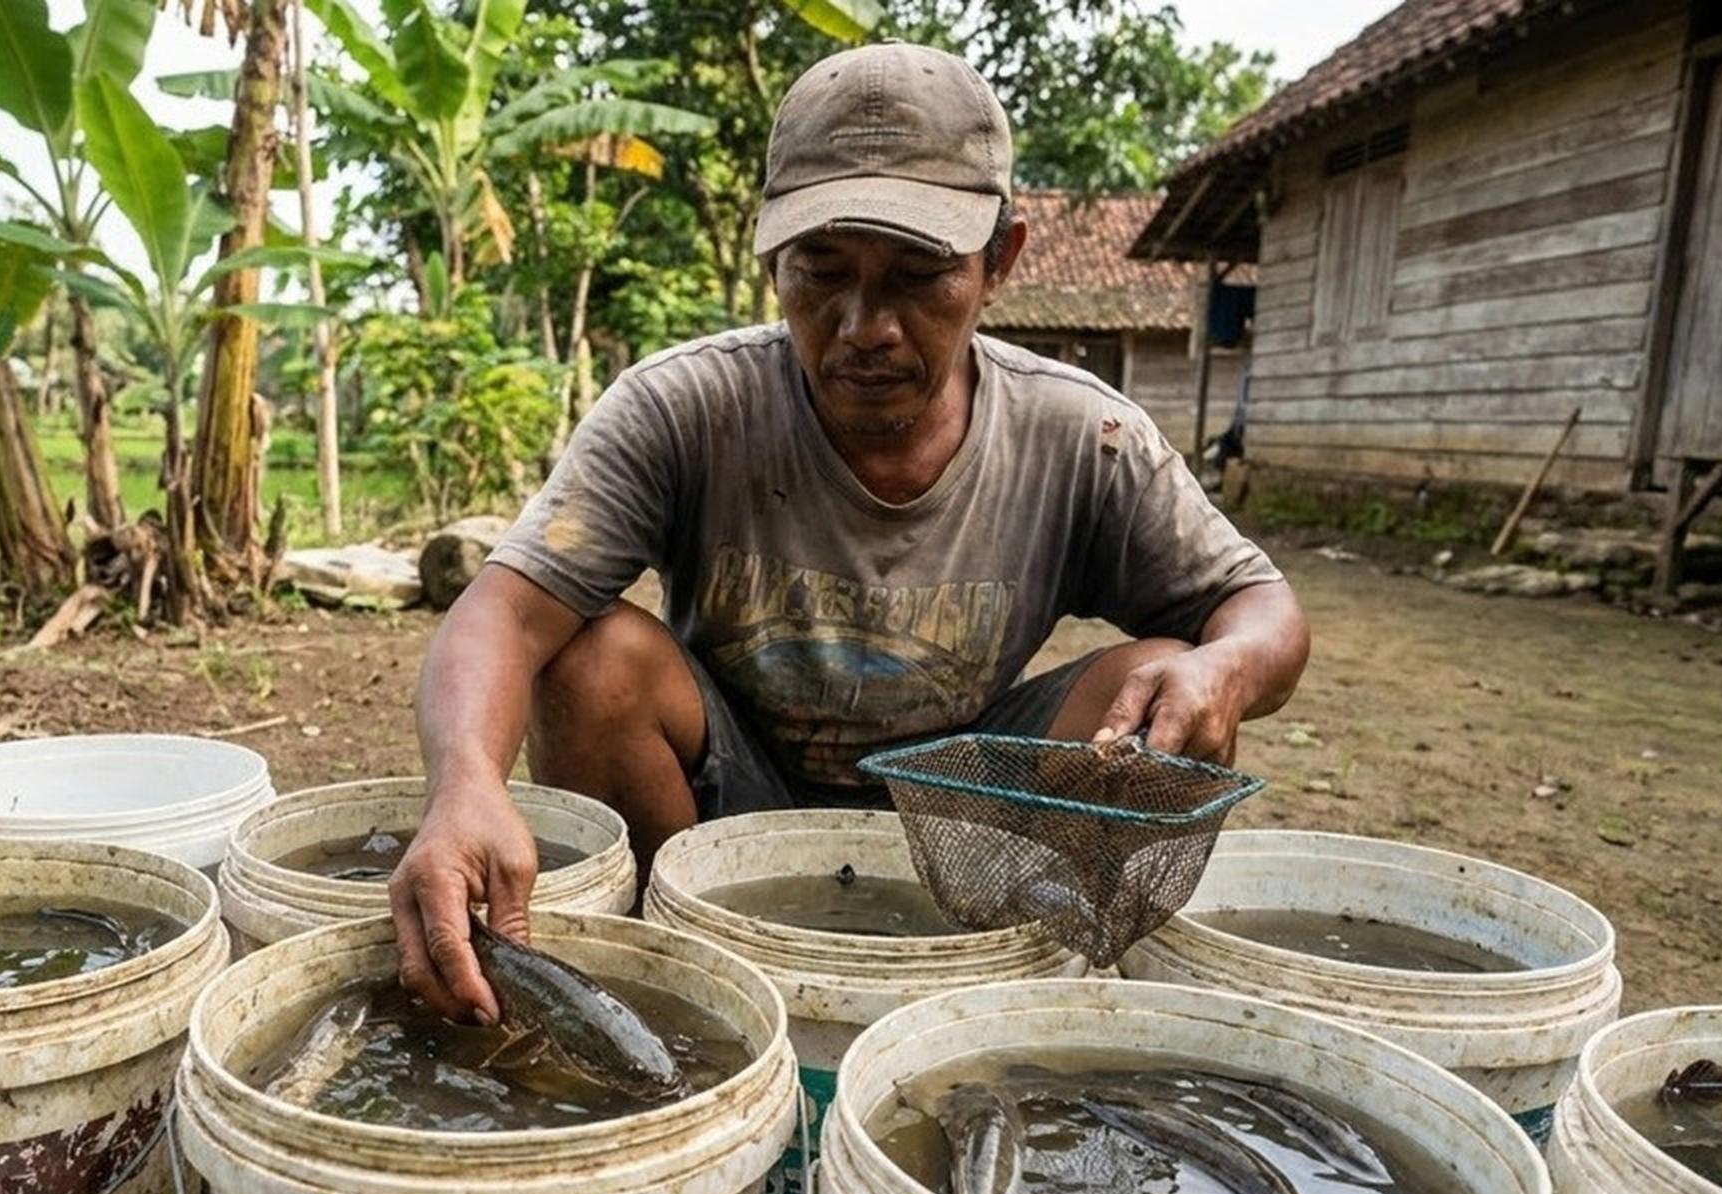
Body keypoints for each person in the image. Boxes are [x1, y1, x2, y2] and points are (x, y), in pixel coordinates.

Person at [390, 41, 1309, 1023]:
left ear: (999, 262)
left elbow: (1260, 611)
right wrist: (463, 783)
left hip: (962, 807)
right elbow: (505, 613)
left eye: (918, 276)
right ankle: (677, 968)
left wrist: (1225, 673)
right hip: (719, 791)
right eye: (819, 272)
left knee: (1172, 663)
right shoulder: (686, 407)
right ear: (772, 259)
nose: (864, 325)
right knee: (591, 663)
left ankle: (1026, 965)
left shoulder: (1082, 435)